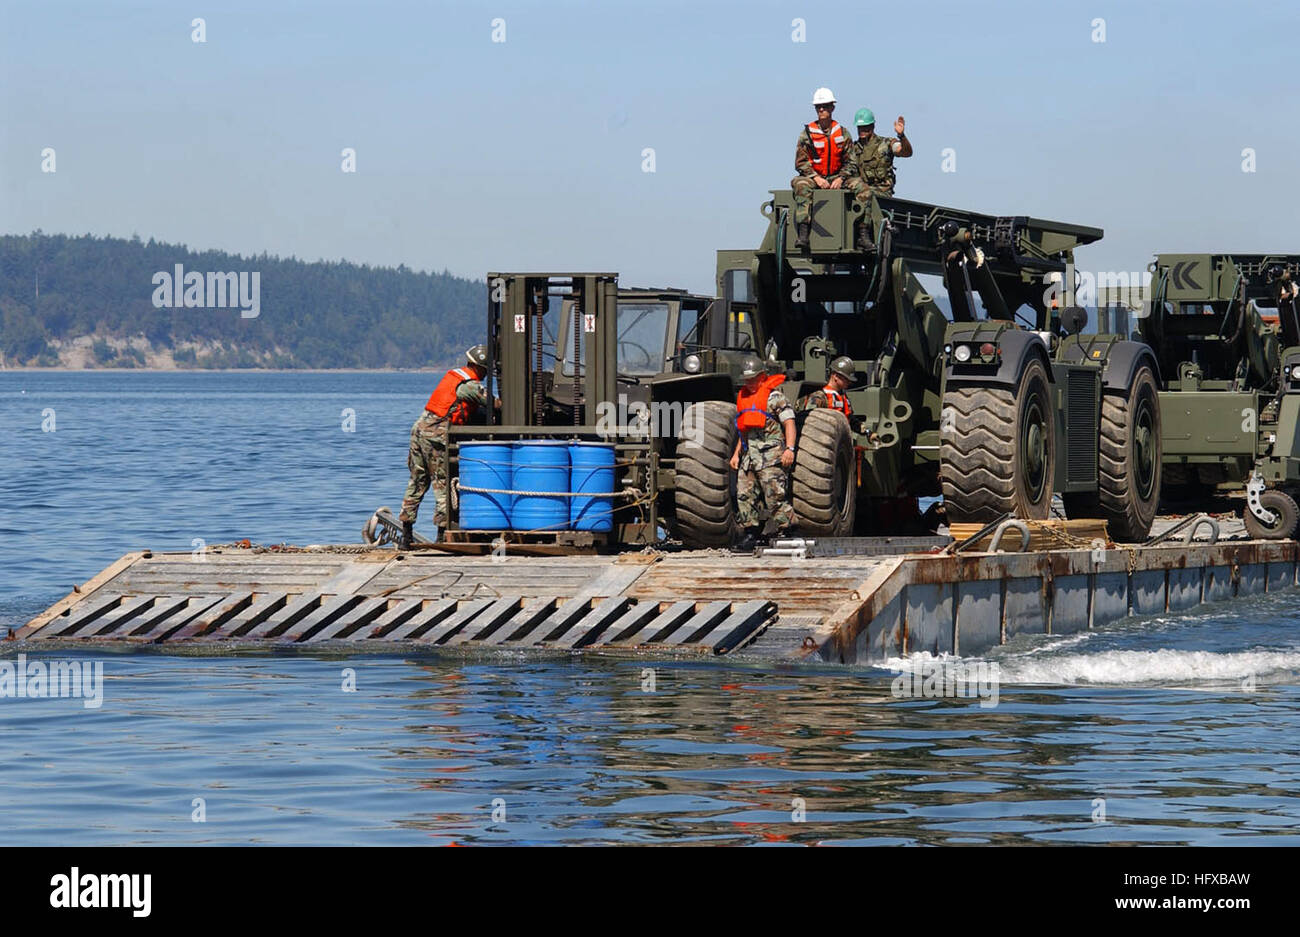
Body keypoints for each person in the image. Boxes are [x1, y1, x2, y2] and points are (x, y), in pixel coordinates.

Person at [399, 345, 496, 547]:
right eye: (486, 370)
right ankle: (442, 535)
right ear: (479, 367)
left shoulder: (453, 376)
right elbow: (494, 404)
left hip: (418, 430)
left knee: (417, 482)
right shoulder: (470, 384)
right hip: (436, 435)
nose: (486, 374)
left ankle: (405, 536)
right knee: (442, 483)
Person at [729, 357, 797, 551]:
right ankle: (751, 534)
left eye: (752, 379)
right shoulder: (744, 399)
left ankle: (789, 530)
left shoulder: (775, 398)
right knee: (744, 495)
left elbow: (789, 423)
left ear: (762, 376)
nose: (748, 383)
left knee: (774, 495)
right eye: (746, 380)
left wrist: (790, 449)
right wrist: (736, 455)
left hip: (771, 456)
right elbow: (743, 431)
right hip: (748, 457)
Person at [791, 87, 852, 251]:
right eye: (818, 107)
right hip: (814, 177)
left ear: (832, 107)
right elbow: (800, 162)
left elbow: (851, 162)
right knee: (801, 185)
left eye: (825, 106)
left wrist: (841, 178)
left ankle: (863, 234)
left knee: (862, 188)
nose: (821, 110)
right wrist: (815, 177)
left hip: (836, 177)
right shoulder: (807, 134)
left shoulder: (843, 134)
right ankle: (803, 234)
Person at [843, 108, 913, 249]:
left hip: (882, 192)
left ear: (873, 126)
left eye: (866, 127)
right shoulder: (854, 149)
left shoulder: (886, 144)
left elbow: (905, 152)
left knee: (867, 194)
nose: (862, 130)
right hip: (860, 192)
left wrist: (902, 136)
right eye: (860, 127)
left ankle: (864, 234)